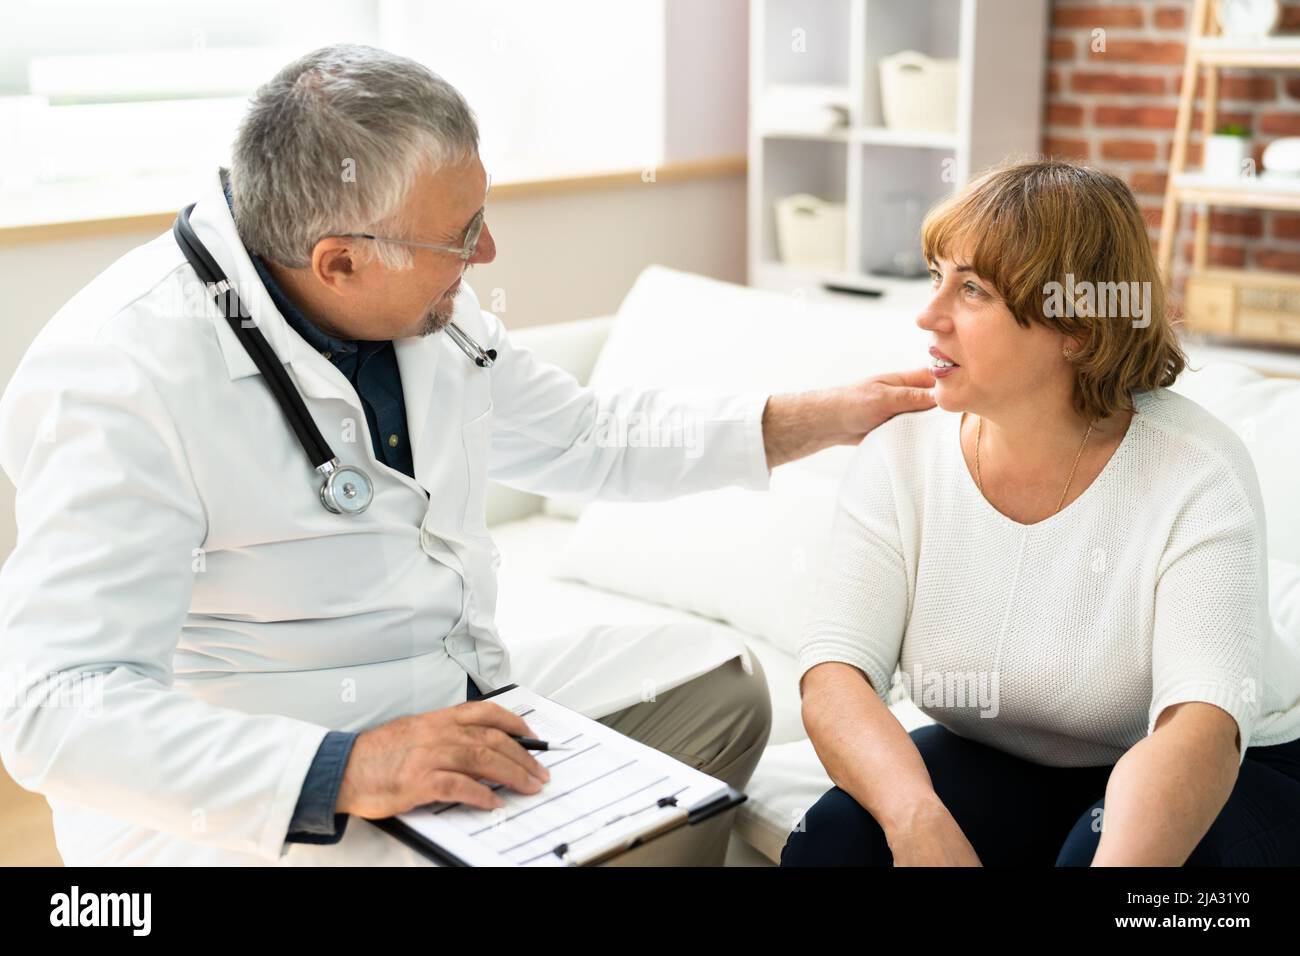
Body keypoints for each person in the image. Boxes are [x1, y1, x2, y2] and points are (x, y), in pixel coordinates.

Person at [0, 44, 936, 866]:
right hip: (272, 776)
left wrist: (822, 416)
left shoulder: (419, 307)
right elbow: (54, 708)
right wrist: (349, 767)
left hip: (452, 696)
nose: (485, 250)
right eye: (460, 236)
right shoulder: (119, 375)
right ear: (339, 261)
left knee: (719, 689)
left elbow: (588, 438)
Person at [781, 159, 1300, 867]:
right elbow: (834, 672)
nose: (928, 315)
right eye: (937, 276)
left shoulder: (1196, 472)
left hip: (1227, 772)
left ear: (1077, 331)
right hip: (1005, 754)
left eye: (972, 290)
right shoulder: (903, 450)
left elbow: (1198, 729)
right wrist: (917, 826)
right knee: (835, 845)